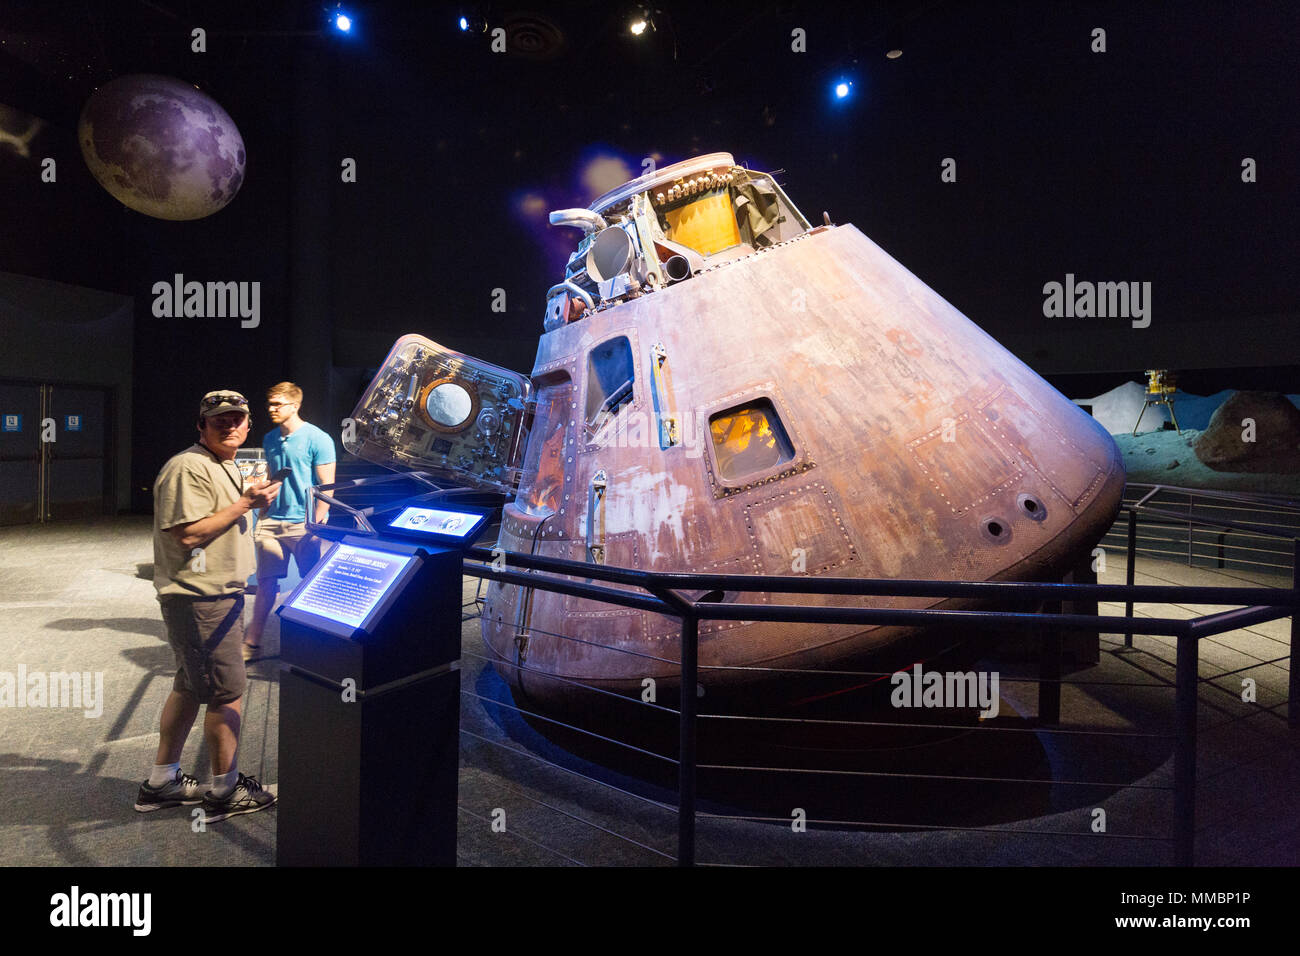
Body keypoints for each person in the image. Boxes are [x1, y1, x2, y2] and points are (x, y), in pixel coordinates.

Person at [135, 390, 280, 821]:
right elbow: (188, 535)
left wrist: (249, 500)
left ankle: (162, 782)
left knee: (189, 686)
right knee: (227, 693)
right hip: (202, 600)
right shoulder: (188, 466)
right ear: (201, 426)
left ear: (249, 425)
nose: (230, 425)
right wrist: (245, 504)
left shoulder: (225, 465)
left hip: (215, 597)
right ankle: (224, 791)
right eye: (219, 420)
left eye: (238, 419)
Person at [242, 382, 336, 659]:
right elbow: (273, 475)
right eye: (270, 404)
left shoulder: (318, 439)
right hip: (271, 522)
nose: (271, 409)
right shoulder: (270, 438)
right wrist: (262, 507)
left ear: (295, 406)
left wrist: (316, 523)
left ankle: (318, 644)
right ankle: (253, 643)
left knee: (311, 582)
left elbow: (327, 486)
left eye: (277, 404)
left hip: (302, 524)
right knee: (266, 583)